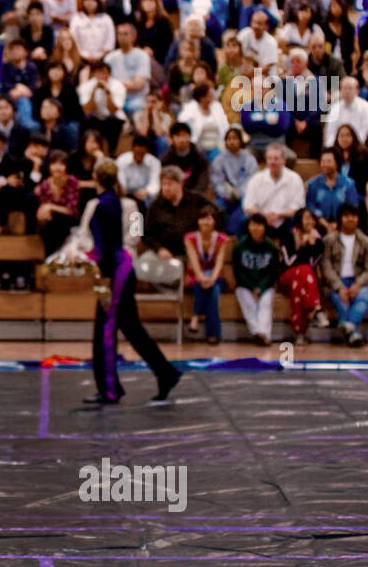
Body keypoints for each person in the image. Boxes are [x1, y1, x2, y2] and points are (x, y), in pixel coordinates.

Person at [84, 159, 182, 405]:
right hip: (123, 268)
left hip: (112, 269)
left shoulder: (100, 205)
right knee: (131, 327)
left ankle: (109, 388)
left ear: (96, 178)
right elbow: (134, 236)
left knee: (105, 328)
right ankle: (165, 372)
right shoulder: (132, 205)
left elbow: (91, 240)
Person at [320, 203, 368, 347]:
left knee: (365, 296)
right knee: (341, 299)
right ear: (340, 219)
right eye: (346, 216)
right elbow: (326, 267)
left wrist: (358, 285)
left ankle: (348, 326)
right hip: (336, 282)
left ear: (358, 219)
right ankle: (353, 334)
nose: (350, 219)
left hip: (359, 281)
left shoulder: (366, 242)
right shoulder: (329, 240)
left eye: (353, 216)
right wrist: (339, 287)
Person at [278, 208, 332, 344]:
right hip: (286, 276)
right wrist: (302, 246)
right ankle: (316, 309)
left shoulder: (318, 241)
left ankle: (299, 333)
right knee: (302, 271)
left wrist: (311, 245)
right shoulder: (288, 237)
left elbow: (313, 264)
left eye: (312, 219)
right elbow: (289, 263)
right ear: (299, 220)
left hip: (304, 282)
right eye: (306, 218)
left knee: (300, 284)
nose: (310, 222)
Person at [233, 212, 280, 345]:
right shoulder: (240, 246)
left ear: (264, 227)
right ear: (248, 227)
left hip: (265, 284)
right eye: (253, 225)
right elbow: (238, 271)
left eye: (259, 225)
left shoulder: (270, 247)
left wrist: (261, 287)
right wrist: (252, 287)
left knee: (265, 304)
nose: (256, 228)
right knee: (248, 303)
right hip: (245, 285)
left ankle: (263, 334)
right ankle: (258, 332)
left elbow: (273, 271)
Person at [183, 203, 226, 344]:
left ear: (214, 221)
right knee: (210, 290)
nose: (205, 222)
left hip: (216, 277)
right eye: (202, 219)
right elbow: (194, 261)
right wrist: (201, 277)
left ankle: (196, 316)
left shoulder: (222, 239)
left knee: (213, 288)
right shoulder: (190, 238)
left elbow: (219, 262)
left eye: (208, 219)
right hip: (196, 276)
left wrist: (212, 278)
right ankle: (214, 334)